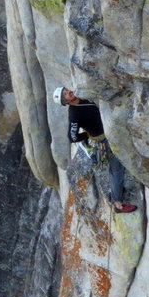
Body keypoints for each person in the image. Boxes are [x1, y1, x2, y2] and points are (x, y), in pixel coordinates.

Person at [52, 86, 137, 214]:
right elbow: (72, 136)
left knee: (117, 167)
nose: (69, 92)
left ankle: (115, 193)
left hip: (110, 133)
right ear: (66, 102)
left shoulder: (83, 98)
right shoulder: (74, 113)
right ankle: (118, 203)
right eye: (65, 94)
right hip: (104, 140)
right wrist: (87, 135)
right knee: (116, 169)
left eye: (67, 90)